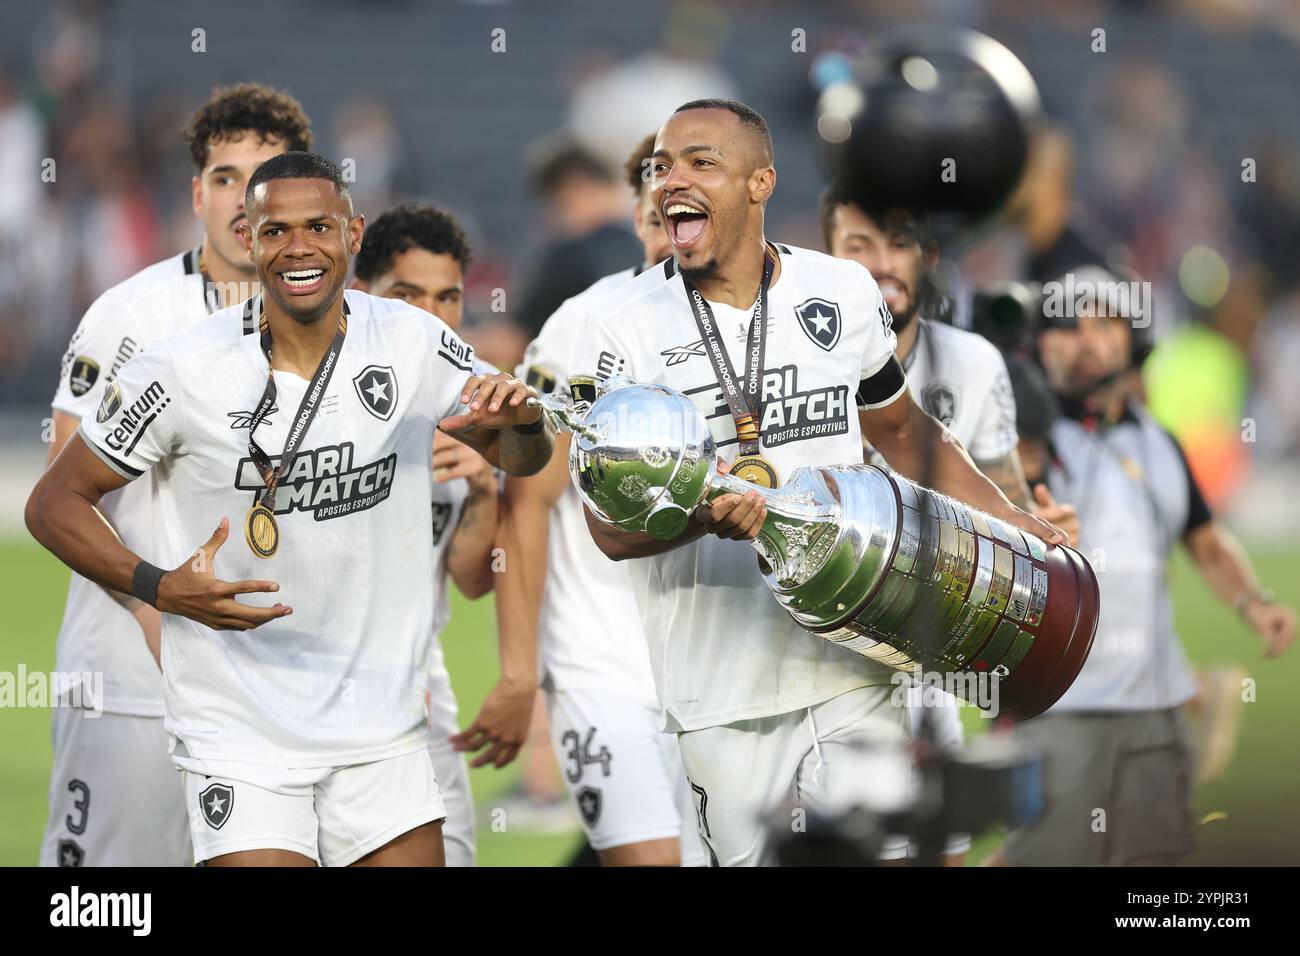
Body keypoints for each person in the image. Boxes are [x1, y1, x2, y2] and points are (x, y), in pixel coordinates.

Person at [572, 99, 1066, 866]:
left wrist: (1011, 520)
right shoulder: (623, 328)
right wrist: (706, 518)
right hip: (719, 690)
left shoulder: (839, 290)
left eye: (700, 161)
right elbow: (607, 529)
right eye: (662, 166)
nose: (672, 179)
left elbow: (902, 430)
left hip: (856, 655)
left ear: (759, 182)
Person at [26, 152, 551, 867]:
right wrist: (156, 584)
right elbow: (53, 503)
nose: (298, 248)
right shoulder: (182, 368)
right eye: (276, 231)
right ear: (248, 236)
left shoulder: (413, 341)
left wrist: (523, 426)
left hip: (382, 728)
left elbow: (522, 459)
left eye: (319, 227)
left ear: (353, 232)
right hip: (240, 733)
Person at [39, 82, 313, 868]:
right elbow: (64, 499)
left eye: (264, 179)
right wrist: (159, 608)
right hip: (132, 682)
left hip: (271, 689)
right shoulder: (132, 315)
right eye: (225, 177)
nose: (241, 198)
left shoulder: (326, 321)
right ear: (197, 191)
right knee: (105, 904)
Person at [999, 275, 1296, 865]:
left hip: (1157, 713)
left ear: (1132, 342)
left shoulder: (1161, 444)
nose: (1084, 340)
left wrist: (1254, 602)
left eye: (1103, 325)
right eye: (1067, 327)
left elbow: (1207, 543)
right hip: (1060, 709)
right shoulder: (1017, 444)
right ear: (1042, 343)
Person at [501, 133, 705, 865]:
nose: (664, 241)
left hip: (712, 664)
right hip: (600, 658)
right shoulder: (585, 327)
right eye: (652, 220)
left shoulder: (753, 341)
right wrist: (522, 674)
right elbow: (527, 501)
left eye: (681, 221)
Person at [351, 201, 495, 866]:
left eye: (448, 298)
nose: (429, 317)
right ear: (361, 294)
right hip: (309, 698)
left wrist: (485, 487)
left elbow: (470, 580)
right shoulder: (321, 405)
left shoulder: (469, 409)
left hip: (419, 692)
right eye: (406, 294)